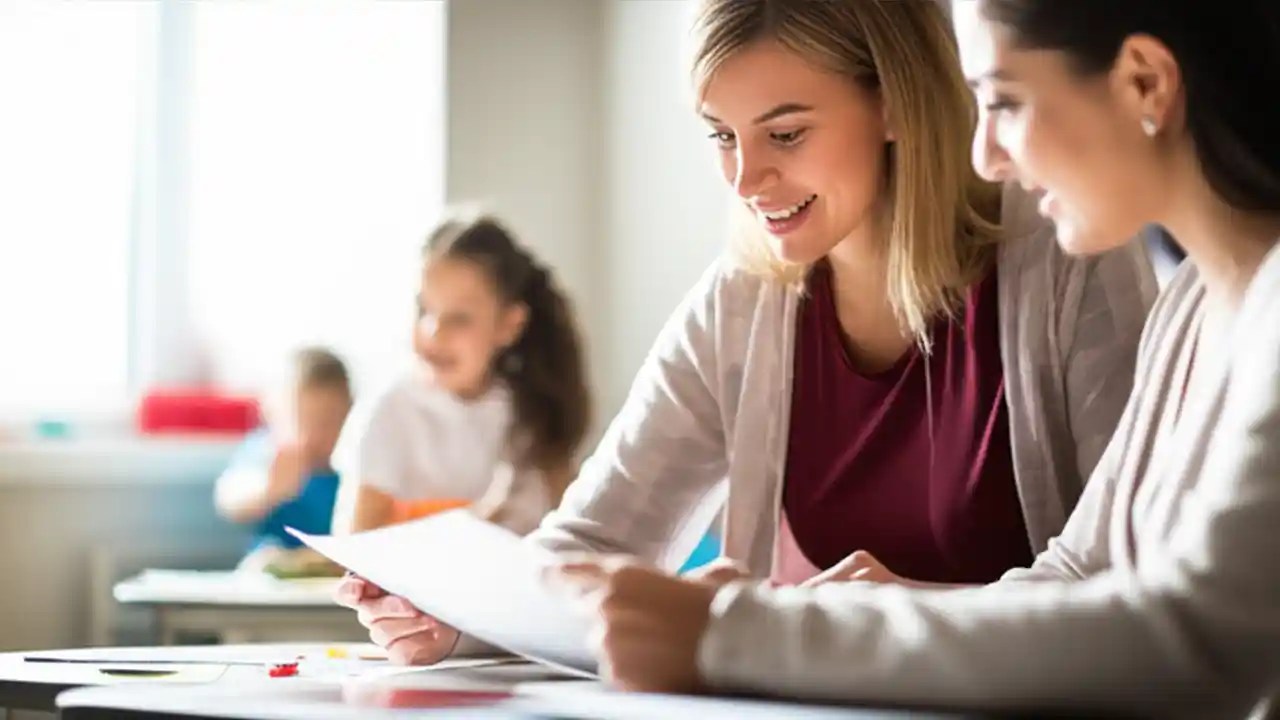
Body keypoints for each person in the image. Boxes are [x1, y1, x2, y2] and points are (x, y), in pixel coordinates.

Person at [335, 0, 1154, 665]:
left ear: (897, 103)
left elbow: (1134, 580)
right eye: (722, 135)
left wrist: (895, 612)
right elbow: (598, 536)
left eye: (786, 133)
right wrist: (461, 617)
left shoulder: (1066, 251)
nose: (743, 178)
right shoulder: (743, 298)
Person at [550, 2, 1280, 717]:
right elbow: (1082, 576)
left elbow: (1190, 644)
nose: (986, 152)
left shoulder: (1210, 290)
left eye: (1004, 102)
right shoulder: (1193, 305)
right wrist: (867, 608)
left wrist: (737, 631)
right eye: (721, 136)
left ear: (1146, 83)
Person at [330, 211, 591, 538]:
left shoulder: (534, 411)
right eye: (424, 310)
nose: (434, 332)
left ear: (509, 325)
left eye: (460, 319)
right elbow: (357, 545)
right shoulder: (388, 411)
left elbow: (570, 535)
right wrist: (478, 519)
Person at [214, 347, 352, 573]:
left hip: (335, 573)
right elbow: (229, 501)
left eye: (326, 422)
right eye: (301, 422)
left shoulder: (352, 463)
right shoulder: (265, 454)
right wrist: (269, 491)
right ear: (271, 415)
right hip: (273, 567)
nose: (312, 436)